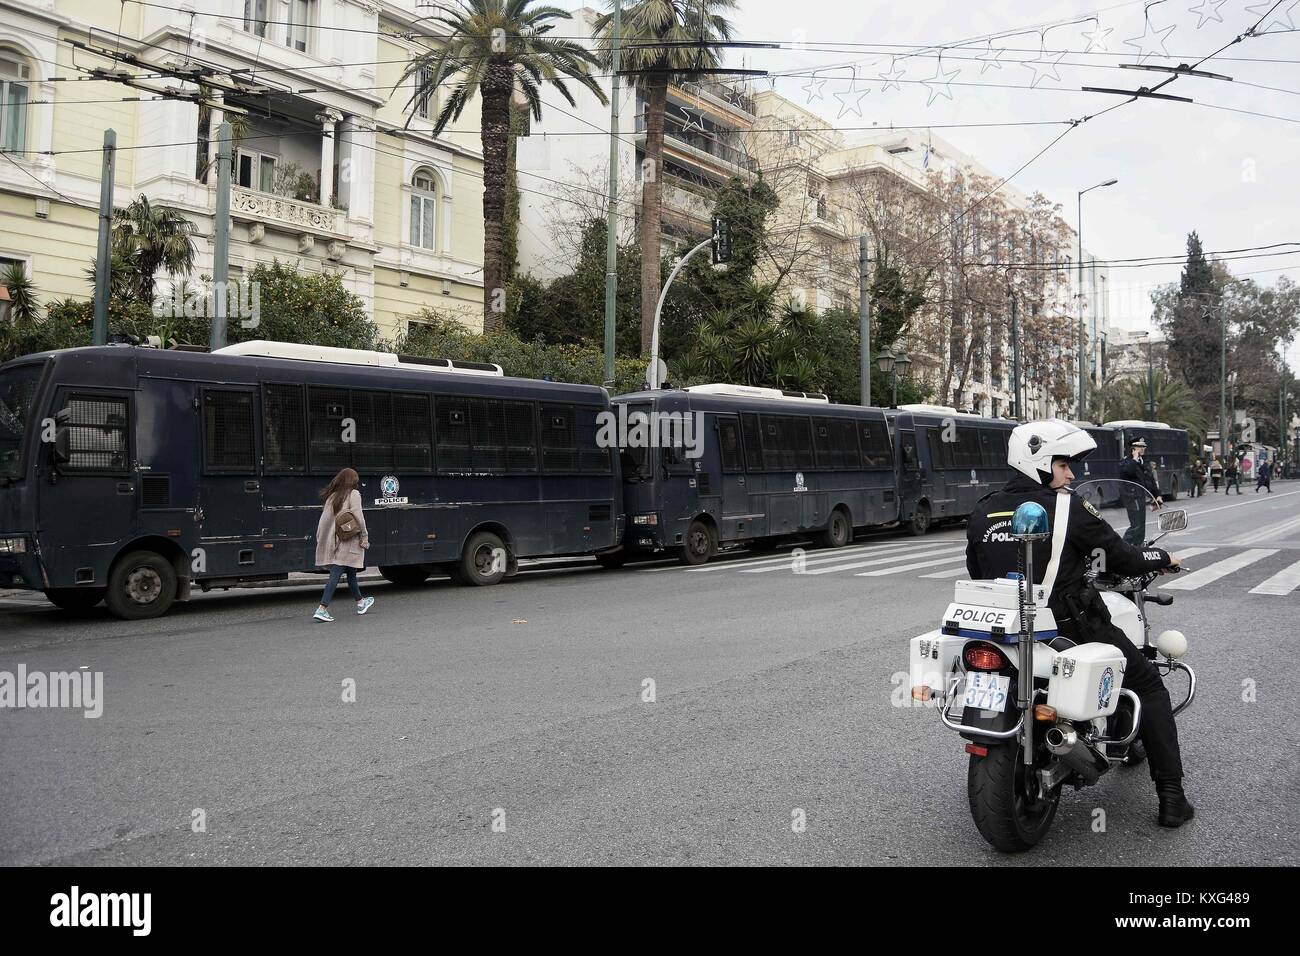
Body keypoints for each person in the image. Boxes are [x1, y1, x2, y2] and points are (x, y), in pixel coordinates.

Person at [966, 420, 1194, 828]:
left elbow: (976, 569)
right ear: (1039, 463)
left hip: (1004, 629)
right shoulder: (1067, 507)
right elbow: (1122, 556)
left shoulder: (984, 508)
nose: (1071, 474)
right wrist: (1164, 557)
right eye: (1063, 464)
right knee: (1150, 687)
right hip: (1069, 626)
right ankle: (1172, 797)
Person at [314, 467, 376, 622]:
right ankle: (322, 608)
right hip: (348, 541)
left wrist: (322, 539)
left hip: (335, 540)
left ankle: (361, 603)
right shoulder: (353, 494)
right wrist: (364, 536)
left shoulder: (333, 496)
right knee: (336, 573)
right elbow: (359, 517)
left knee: (351, 572)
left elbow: (323, 522)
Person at [1118, 436, 1162, 546]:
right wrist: (1134, 459)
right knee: (1136, 525)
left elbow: (1150, 480)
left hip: (1141, 496)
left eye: (1143, 446)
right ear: (1133, 449)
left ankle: (1138, 546)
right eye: (1139, 447)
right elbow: (1127, 471)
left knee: (1141, 525)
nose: (1143, 449)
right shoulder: (1126, 461)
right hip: (1131, 497)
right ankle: (1122, 547)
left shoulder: (1144, 462)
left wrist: (1157, 495)